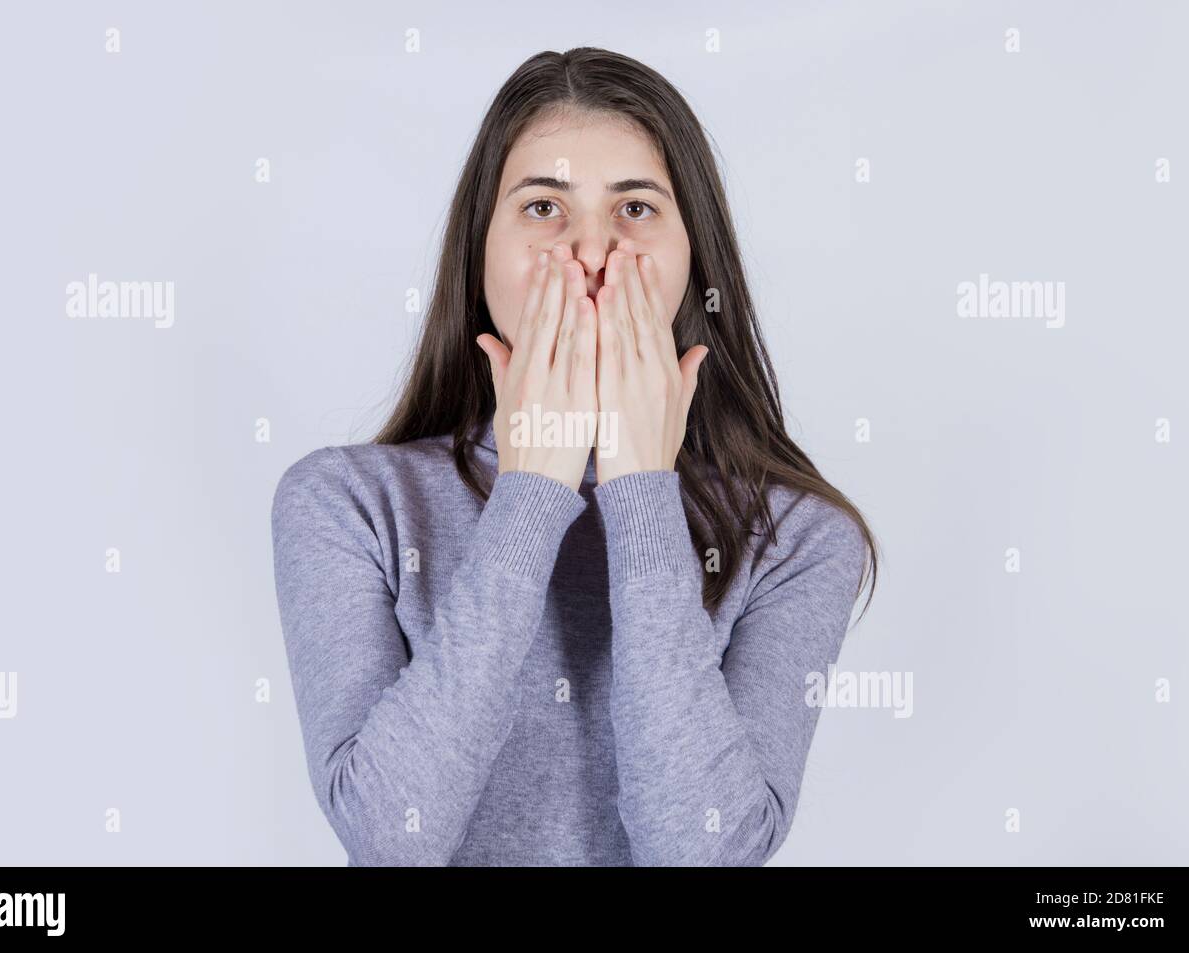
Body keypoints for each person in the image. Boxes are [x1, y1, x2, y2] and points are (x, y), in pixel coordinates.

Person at [271, 46, 879, 866]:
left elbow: (702, 852)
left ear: (693, 259)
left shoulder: (799, 539)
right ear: (478, 257)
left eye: (635, 209)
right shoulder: (349, 504)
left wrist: (640, 491)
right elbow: (391, 838)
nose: (592, 253)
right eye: (543, 208)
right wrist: (532, 489)